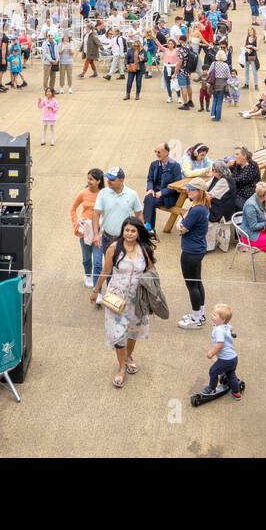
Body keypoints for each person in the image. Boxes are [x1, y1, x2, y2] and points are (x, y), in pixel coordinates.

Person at [91, 216, 157, 388]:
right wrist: (95, 290)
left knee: (134, 331)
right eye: (127, 230)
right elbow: (105, 271)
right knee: (118, 333)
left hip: (138, 297)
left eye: (133, 230)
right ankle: (121, 368)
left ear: (138, 232)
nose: (129, 233)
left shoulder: (144, 249)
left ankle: (128, 357)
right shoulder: (114, 248)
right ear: (123, 231)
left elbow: (151, 270)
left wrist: (153, 290)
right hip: (116, 297)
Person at [176, 179, 210, 329]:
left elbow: (182, 227)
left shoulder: (196, 210)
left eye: (191, 189)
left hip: (190, 251)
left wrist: (180, 223)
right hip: (198, 248)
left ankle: (196, 318)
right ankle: (200, 313)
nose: (188, 191)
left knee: (191, 284)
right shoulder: (202, 207)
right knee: (197, 282)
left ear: (199, 192)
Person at [94, 166, 141, 262]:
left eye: (112, 179)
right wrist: (96, 234)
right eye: (108, 178)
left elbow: (139, 214)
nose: (108, 181)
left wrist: (140, 234)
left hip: (126, 239)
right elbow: (96, 214)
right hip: (107, 238)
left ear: (121, 180)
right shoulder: (103, 193)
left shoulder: (132, 194)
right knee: (109, 267)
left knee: (124, 266)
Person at [202, 304, 244, 400]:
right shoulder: (225, 326)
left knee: (213, 371)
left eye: (215, 315)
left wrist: (211, 353)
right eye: (212, 314)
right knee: (230, 375)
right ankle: (236, 393)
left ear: (223, 319)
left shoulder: (219, 330)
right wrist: (232, 333)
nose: (212, 316)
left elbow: (220, 344)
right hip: (233, 358)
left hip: (225, 360)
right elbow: (230, 327)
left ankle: (211, 388)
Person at [70, 168, 103, 288]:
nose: (88, 181)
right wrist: (76, 224)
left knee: (98, 261)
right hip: (85, 229)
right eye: (88, 178)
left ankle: (97, 282)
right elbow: (73, 209)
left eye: (91, 179)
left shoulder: (104, 193)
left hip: (99, 230)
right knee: (86, 258)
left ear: (99, 181)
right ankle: (87, 275)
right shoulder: (83, 193)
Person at [143, 142, 184, 229]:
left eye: (159, 152)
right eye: (155, 152)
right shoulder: (154, 164)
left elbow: (177, 185)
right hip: (155, 193)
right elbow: (150, 179)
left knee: (149, 201)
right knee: (149, 198)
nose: (157, 154)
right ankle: (148, 227)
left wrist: (162, 192)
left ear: (166, 152)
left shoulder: (175, 166)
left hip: (168, 196)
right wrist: (150, 189)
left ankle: (148, 228)